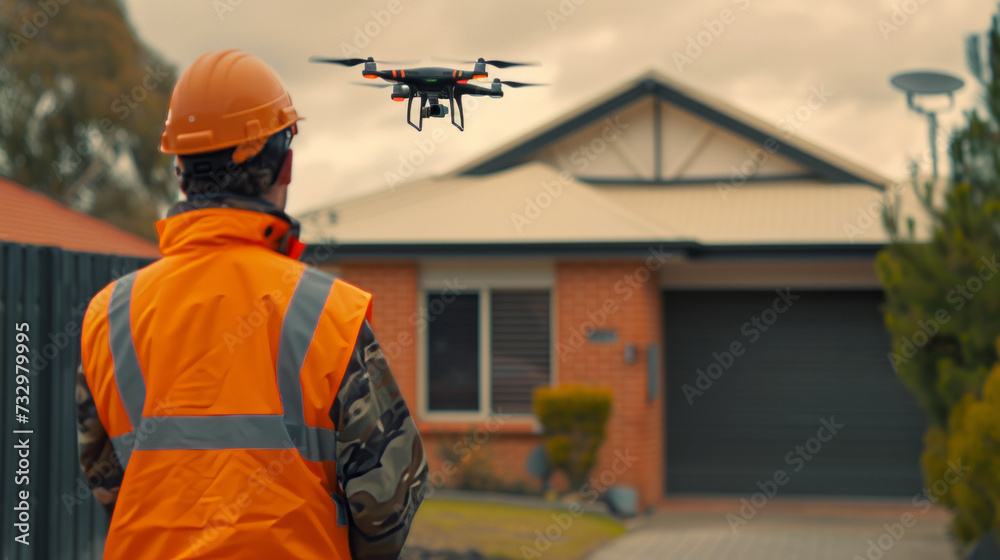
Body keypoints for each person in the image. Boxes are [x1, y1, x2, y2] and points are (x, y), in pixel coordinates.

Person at [76, 49, 427, 559]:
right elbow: (390, 500)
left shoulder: (108, 317)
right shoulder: (329, 312)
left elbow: (106, 481)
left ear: (180, 172)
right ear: (285, 164)